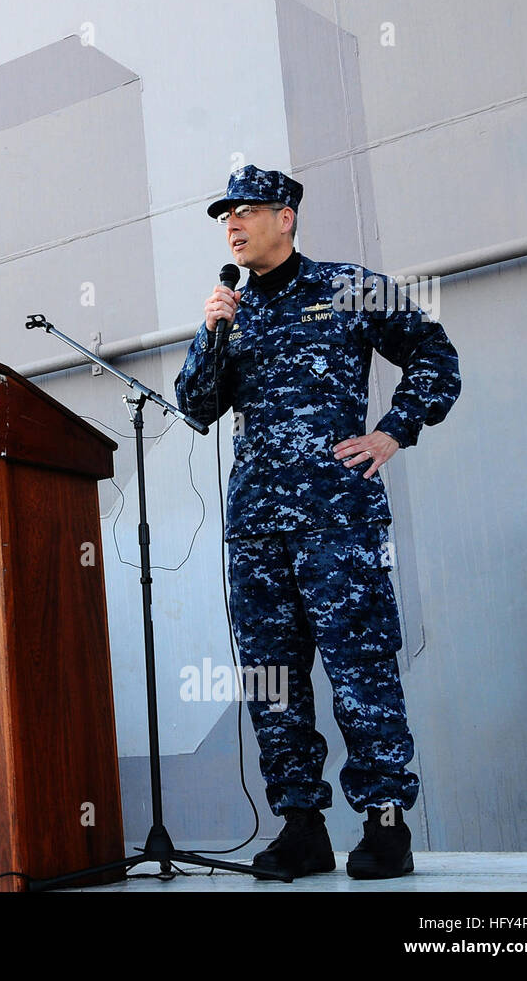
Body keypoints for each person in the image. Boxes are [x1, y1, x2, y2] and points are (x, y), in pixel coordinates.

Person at [175, 165, 460, 880]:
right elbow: (196, 405)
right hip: (257, 530)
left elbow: (435, 354)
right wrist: (212, 333)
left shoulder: (348, 286)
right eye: (224, 217)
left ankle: (386, 827)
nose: (233, 226)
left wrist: (393, 430)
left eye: (245, 212)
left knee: (361, 672)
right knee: (273, 679)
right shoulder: (231, 311)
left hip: (337, 523)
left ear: (286, 217)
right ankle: (300, 827)